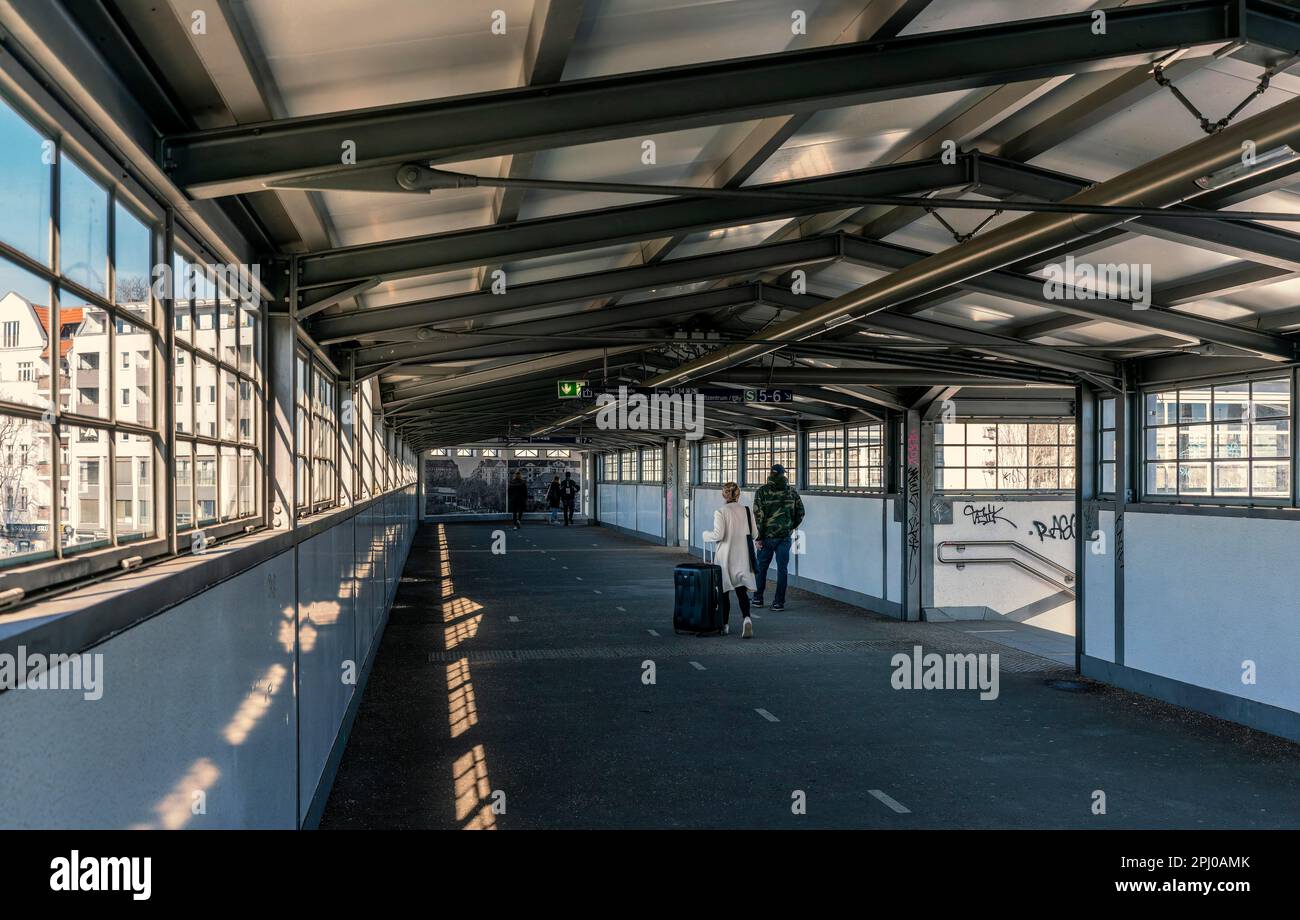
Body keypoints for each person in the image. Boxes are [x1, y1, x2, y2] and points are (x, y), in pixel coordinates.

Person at [701, 481, 758, 638]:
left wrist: (706, 535)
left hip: (725, 556)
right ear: (738, 495)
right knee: (741, 591)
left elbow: (718, 535)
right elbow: (754, 535)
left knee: (724, 592)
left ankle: (724, 625)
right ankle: (747, 619)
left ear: (723, 494)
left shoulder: (721, 511)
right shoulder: (747, 511)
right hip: (743, 555)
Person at [752, 463, 804, 611]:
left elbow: (758, 515)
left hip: (766, 536)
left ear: (771, 474)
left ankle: (757, 599)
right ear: (783, 475)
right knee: (782, 569)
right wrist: (789, 526)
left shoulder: (762, 491)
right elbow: (801, 512)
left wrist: (759, 536)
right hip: (784, 537)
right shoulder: (791, 492)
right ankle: (778, 603)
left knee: (761, 568)